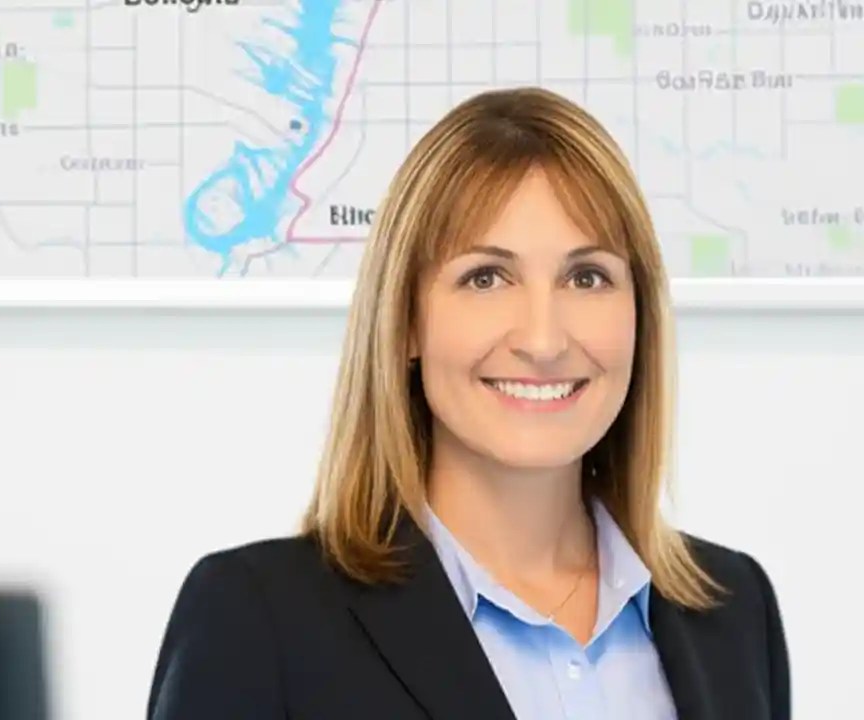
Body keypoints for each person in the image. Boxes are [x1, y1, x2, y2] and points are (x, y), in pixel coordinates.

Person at [145, 86, 790, 720]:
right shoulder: (258, 620)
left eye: (586, 276)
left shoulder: (734, 613)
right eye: (486, 278)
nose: (543, 340)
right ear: (405, 322)